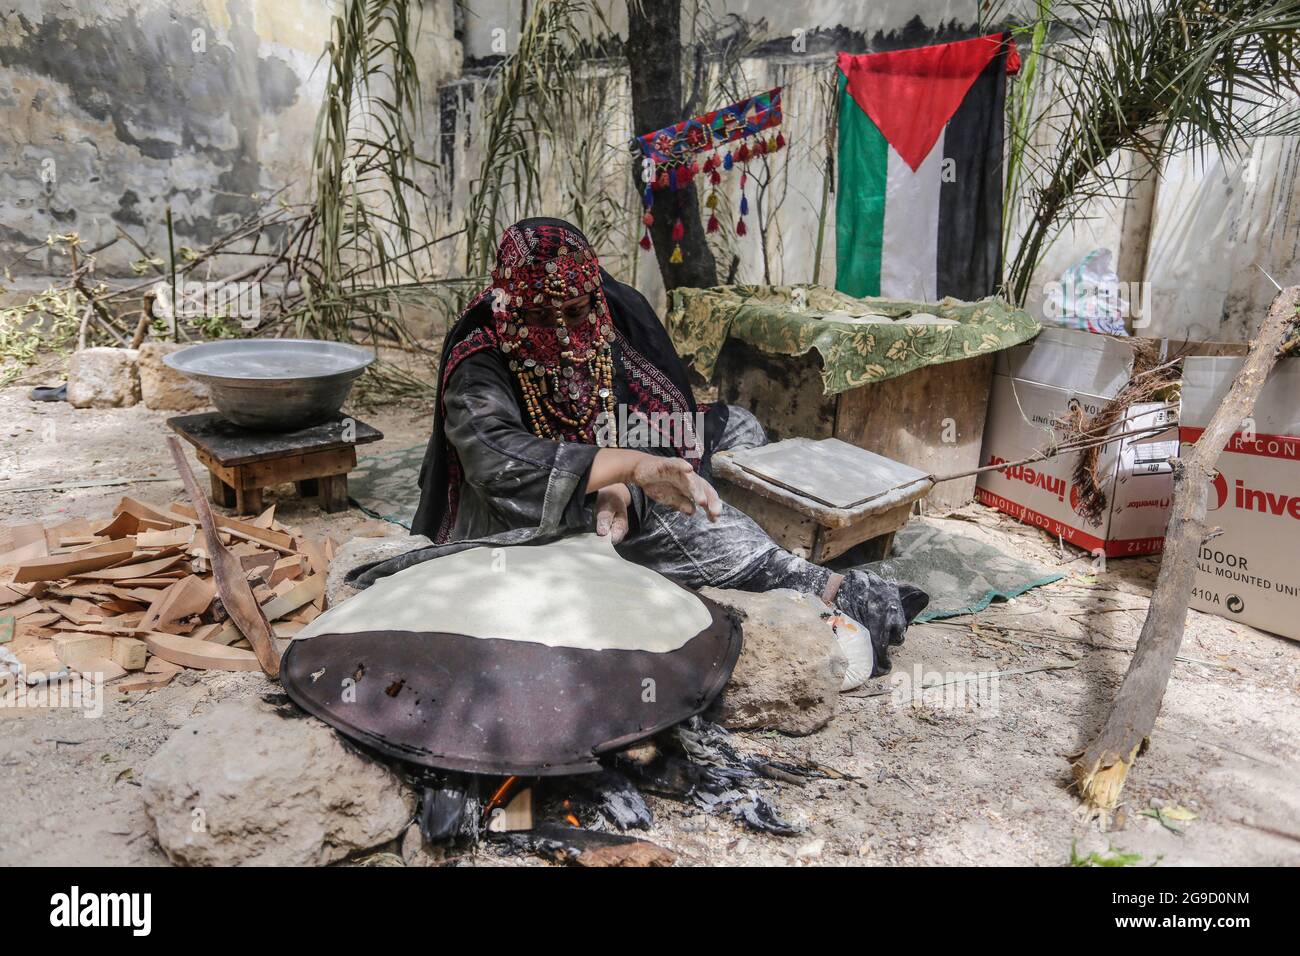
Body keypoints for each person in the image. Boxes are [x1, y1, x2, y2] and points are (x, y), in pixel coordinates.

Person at [363, 217, 927, 675]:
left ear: (594, 297)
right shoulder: (480, 359)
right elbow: (498, 461)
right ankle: (823, 586)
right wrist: (623, 472)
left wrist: (632, 485)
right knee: (691, 519)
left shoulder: (612, 317)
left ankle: (712, 533)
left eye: (576, 313)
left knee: (739, 430)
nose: (561, 334)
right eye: (538, 316)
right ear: (509, 305)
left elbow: (660, 414)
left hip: (623, 474)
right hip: (527, 506)